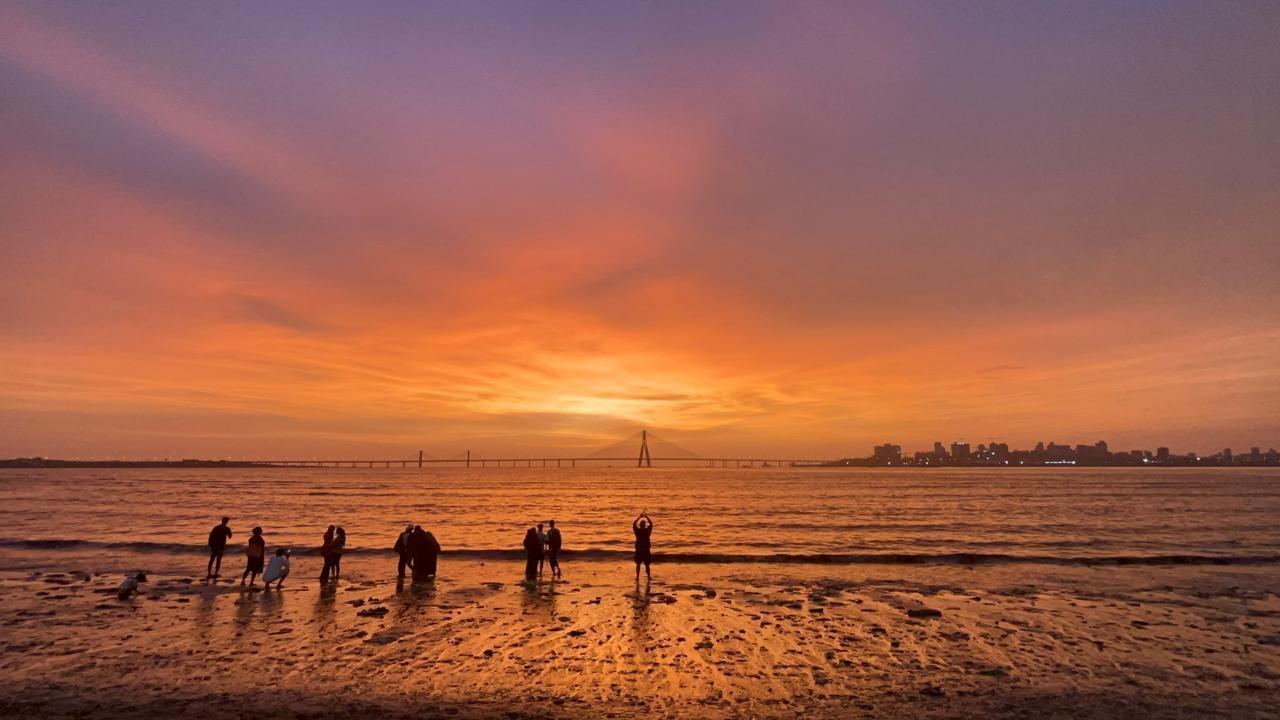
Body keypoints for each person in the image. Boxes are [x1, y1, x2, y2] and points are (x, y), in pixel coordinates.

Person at [633, 511, 653, 580]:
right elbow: (651, 523)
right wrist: (646, 516)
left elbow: (634, 524)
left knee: (638, 564)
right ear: (645, 525)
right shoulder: (647, 531)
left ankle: (637, 577)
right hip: (646, 550)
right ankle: (649, 577)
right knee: (647, 565)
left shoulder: (637, 531)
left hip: (639, 549)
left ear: (640, 525)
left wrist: (639, 516)